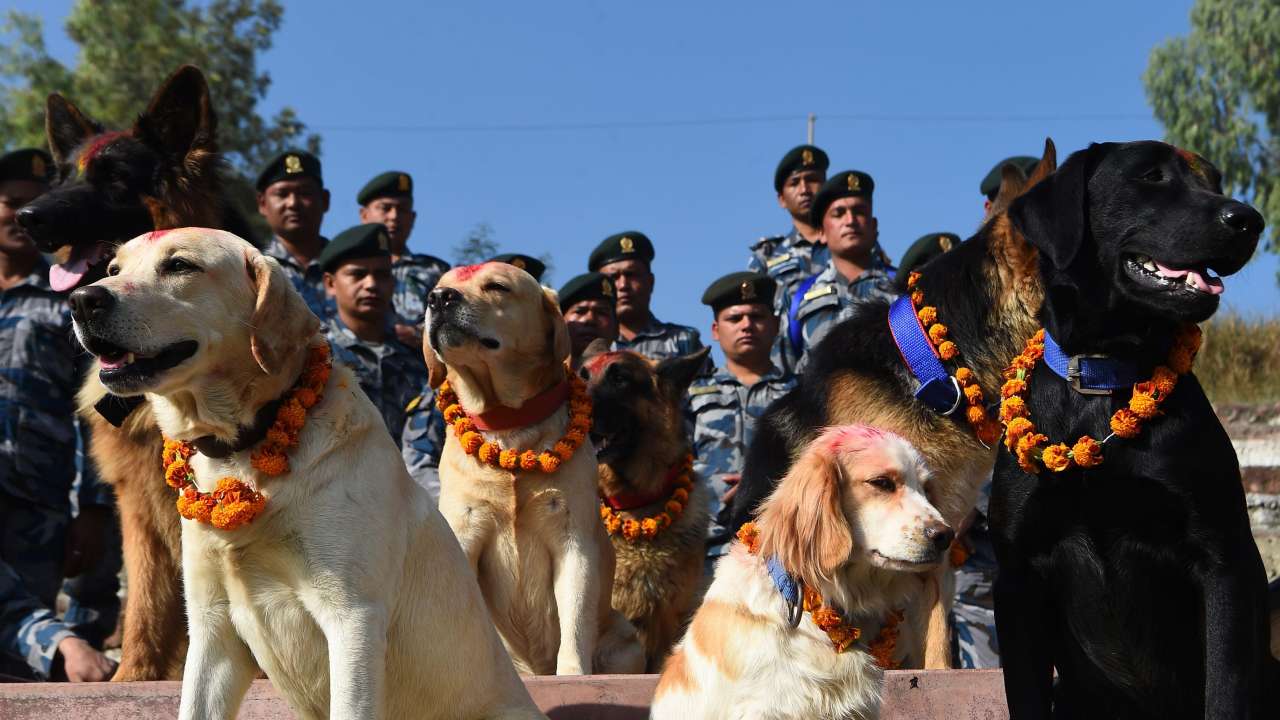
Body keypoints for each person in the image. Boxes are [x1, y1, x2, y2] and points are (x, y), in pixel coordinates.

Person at [0, 149, 118, 681]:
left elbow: (100, 407)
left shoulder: (70, 297)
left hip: (38, 504)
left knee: (21, 660)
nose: (22, 216)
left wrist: (92, 509)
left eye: (33, 205)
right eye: (11, 203)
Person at [686, 271, 795, 566]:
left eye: (757, 316)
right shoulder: (691, 394)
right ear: (715, 330)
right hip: (706, 548)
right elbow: (673, 461)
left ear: (775, 325)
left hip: (780, 547)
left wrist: (762, 484)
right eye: (735, 318)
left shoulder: (802, 394)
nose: (747, 325)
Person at [780, 170, 897, 371]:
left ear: (874, 226)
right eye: (838, 213)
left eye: (859, 212)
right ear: (821, 232)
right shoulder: (799, 297)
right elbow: (786, 373)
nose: (850, 221)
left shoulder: (901, 288)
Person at [318, 223, 426, 441]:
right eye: (358, 274)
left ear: (393, 283)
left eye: (382, 275)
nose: (371, 284)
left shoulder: (418, 356)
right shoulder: (316, 354)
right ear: (330, 284)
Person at [357, 171, 450, 345]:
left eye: (402, 209)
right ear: (364, 215)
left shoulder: (437, 271)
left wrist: (417, 334)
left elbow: (451, 322)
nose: (394, 216)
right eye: (385, 208)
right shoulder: (345, 269)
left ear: (412, 218)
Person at [588, 231, 705, 363]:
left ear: (651, 282)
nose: (623, 285)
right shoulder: (587, 345)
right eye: (613, 277)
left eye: (631, 275)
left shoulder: (683, 341)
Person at [746, 144, 830, 307]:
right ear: (782, 199)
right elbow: (754, 310)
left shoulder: (851, 243)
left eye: (812, 180)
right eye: (794, 183)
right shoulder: (767, 254)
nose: (804, 189)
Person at [257, 150, 331, 320]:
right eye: (282, 194)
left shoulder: (350, 267)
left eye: (305, 193)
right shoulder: (250, 269)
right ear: (262, 204)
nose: (293, 203)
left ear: (325, 200)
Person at [558, 271, 618, 369]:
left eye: (601, 312)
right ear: (560, 322)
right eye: (580, 311)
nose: (590, 320)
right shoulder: (539, 376)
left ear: (616, 328)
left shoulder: (635, 377)